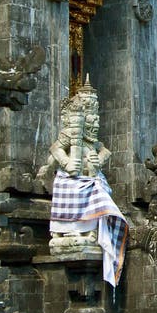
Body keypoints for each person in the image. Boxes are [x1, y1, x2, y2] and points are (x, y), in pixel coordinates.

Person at [47, 77, 127, 288]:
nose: (93, 123)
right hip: (73, 178)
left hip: (90, 177)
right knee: (93, 189)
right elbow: (55, 148)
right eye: (88, 117)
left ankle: (92, 229)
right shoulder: (71, 131)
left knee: (99, 188)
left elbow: (104, 150)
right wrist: (66, 162)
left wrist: (99, 159)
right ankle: (72, 229)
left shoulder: (92, 138)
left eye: (95, 117)